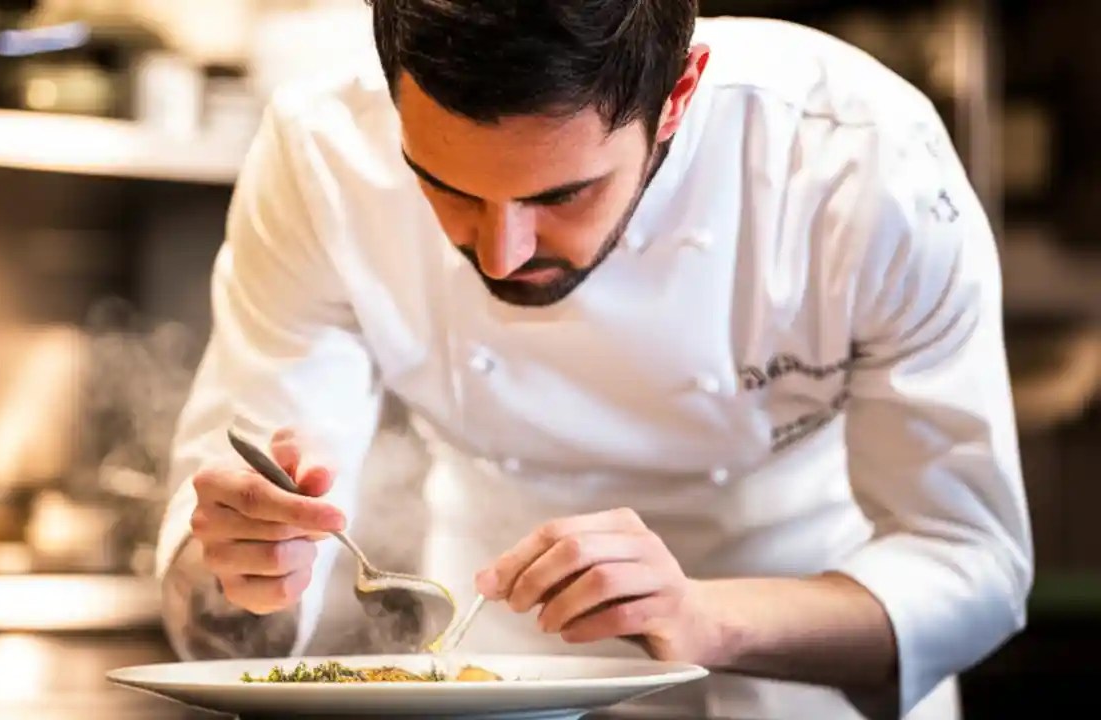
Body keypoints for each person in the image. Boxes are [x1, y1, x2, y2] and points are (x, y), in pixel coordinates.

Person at [154, 2, 1033, 718]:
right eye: (447, 187)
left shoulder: (859, 163)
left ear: (680, 96)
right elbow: (221, 625)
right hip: (492, 680)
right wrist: (242, 570)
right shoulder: (320, 157)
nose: (500, 254)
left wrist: (701, 619)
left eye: (562, 194)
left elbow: (971, 564)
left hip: (802, 680)